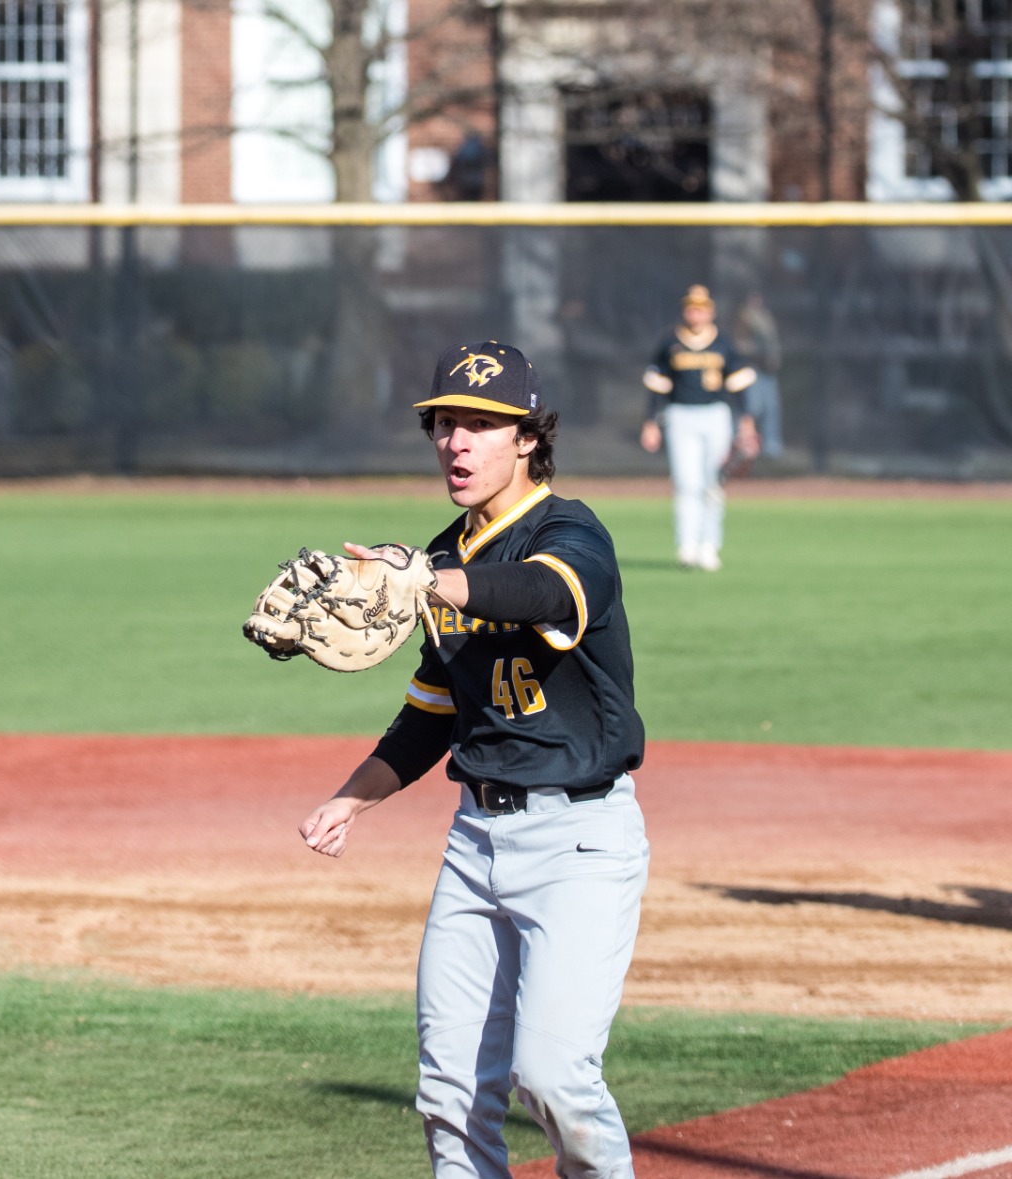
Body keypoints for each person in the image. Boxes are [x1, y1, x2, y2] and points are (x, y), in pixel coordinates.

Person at [300, 341, 650, 1177]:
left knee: (554, 1077)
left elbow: (550, 593)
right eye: (444, 423)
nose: (457, 441)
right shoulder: (441, 554)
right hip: (474, 847)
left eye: (482, 424)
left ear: (528, 437)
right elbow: (431, 714)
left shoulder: (570, 530)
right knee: (450, 1094)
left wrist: (432, 580)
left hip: (580, 844)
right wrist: (354, 797)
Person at [639, 284, 759, 571]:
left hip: (715, 415)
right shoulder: (670, 342)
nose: (695, 313)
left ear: (711, 312)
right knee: (685, 483)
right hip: (680, 415)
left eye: (701, 308)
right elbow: (657, 387)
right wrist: (650, 422)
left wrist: (747, 420)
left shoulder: (724, 343)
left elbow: (739, 386)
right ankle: (687, 546)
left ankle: (709, 545)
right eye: (691, 307)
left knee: (713, 483)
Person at [732, 292, 785, 458]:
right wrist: (755, 352)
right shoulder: (744, 318)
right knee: (751, 408)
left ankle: (771, 446)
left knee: (771, 408)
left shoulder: (766, 318)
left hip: (767, 370)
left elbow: (773, 343)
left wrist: (772, 357)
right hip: (752, 369)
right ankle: (740, 443)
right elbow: (739, 344)